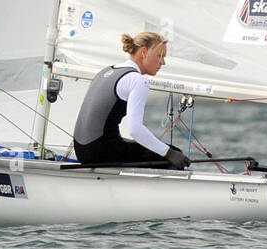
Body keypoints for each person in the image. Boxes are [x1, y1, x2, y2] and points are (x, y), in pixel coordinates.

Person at [73, 31, 190, 168]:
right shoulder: (137, 80)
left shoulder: (105, 71)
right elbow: (135, 130)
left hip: (81, 150)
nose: (163, 62)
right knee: (174, 155)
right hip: (100, 152)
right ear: (144, 52)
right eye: (159, 56)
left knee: (160, 151)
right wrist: (169, 154)